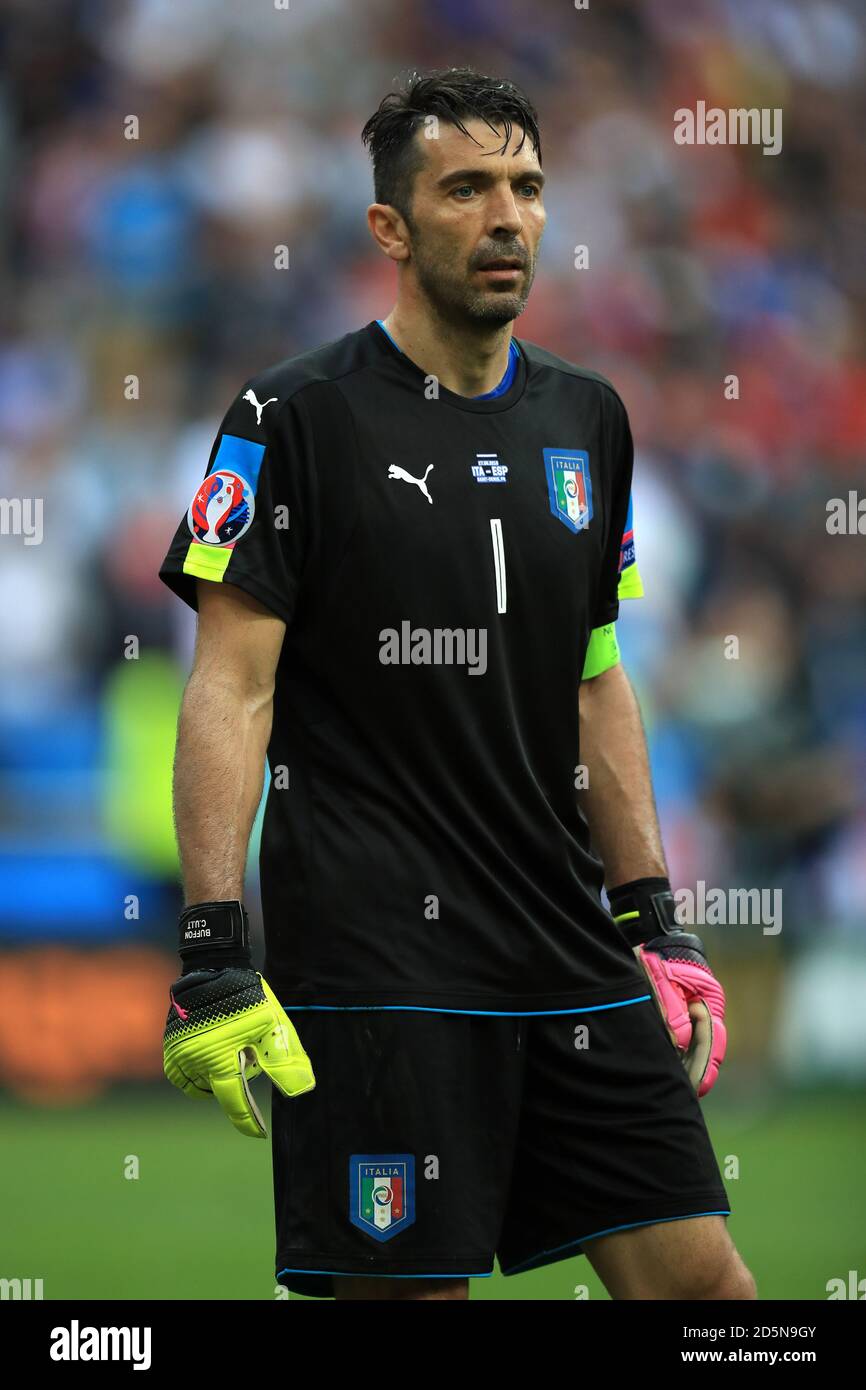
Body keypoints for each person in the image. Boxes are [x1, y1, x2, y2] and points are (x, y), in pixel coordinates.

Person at [158, 67, 754, 1302]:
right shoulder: (289, 419)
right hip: (377, 957)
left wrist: (654, 913)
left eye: (527, 188)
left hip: (563, 937)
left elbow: (595, 681)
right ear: (388, 226)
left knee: (711, 1298)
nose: (506, 217)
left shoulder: (588, 420)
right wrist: (214, 950)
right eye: (466, 187)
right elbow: (230, 689)